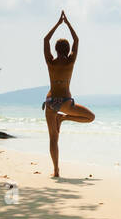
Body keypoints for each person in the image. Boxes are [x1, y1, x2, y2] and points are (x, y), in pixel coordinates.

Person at [41, 11, 95, 177]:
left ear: (56, 50)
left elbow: (45, 40)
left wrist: (58, 24)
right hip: (64, 102)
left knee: (53, 139)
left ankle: (56, 170)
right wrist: (67, 23)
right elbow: (76, 40)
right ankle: (64, 118)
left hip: (50, 101)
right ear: (68, 49)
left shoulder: (50, 61)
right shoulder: (71, 61)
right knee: (90, 117)